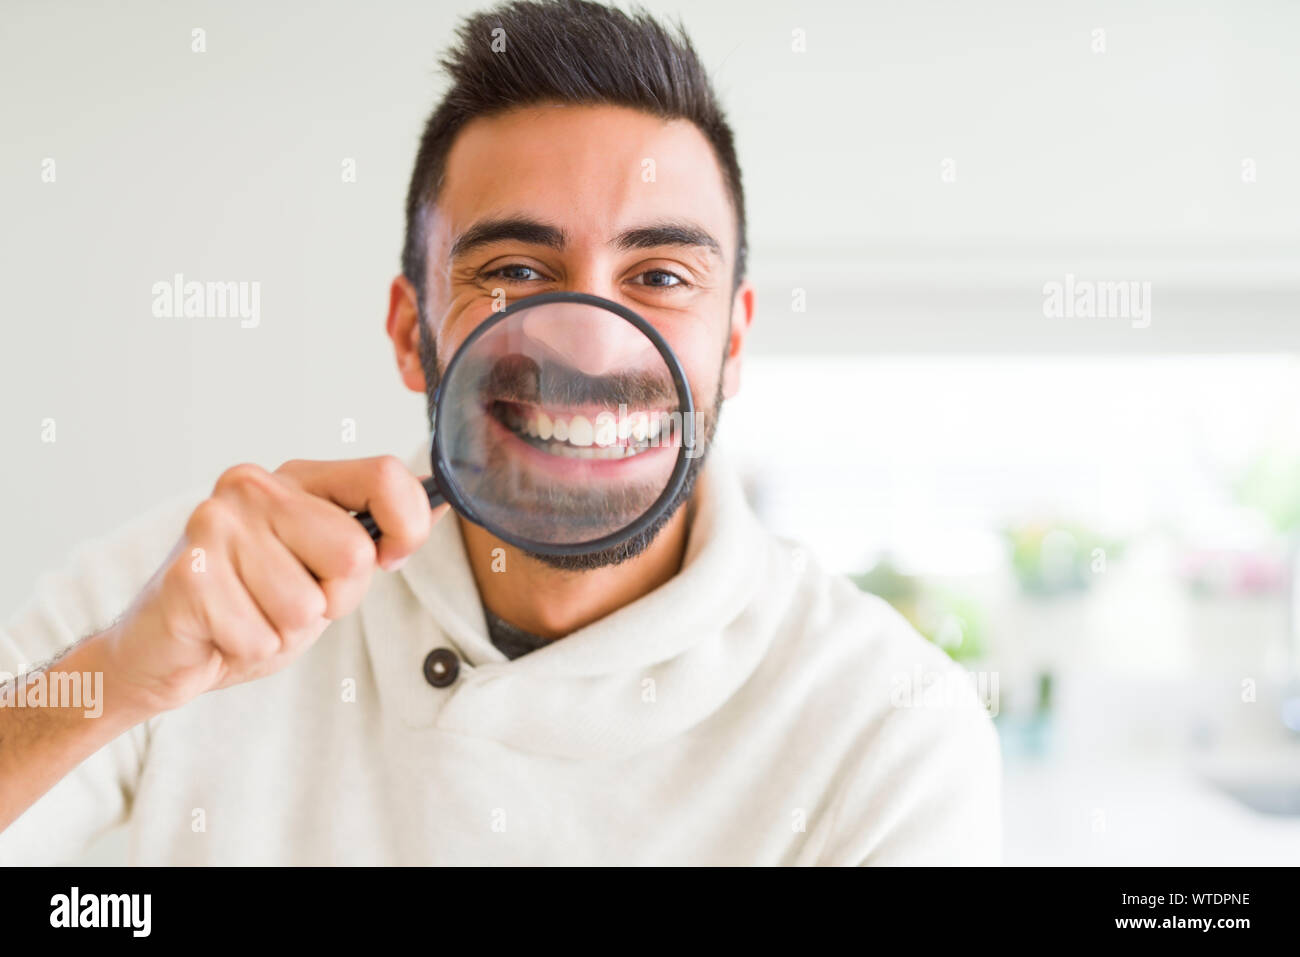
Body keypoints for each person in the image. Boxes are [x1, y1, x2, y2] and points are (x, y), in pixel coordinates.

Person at [0, 0, 1000, 865]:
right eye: (514, 271)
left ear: (733, 344)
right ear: (409, 331)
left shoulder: (887, 723)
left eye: (658, 277)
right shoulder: (190, 585)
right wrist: (119, 680)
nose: (591, 350)